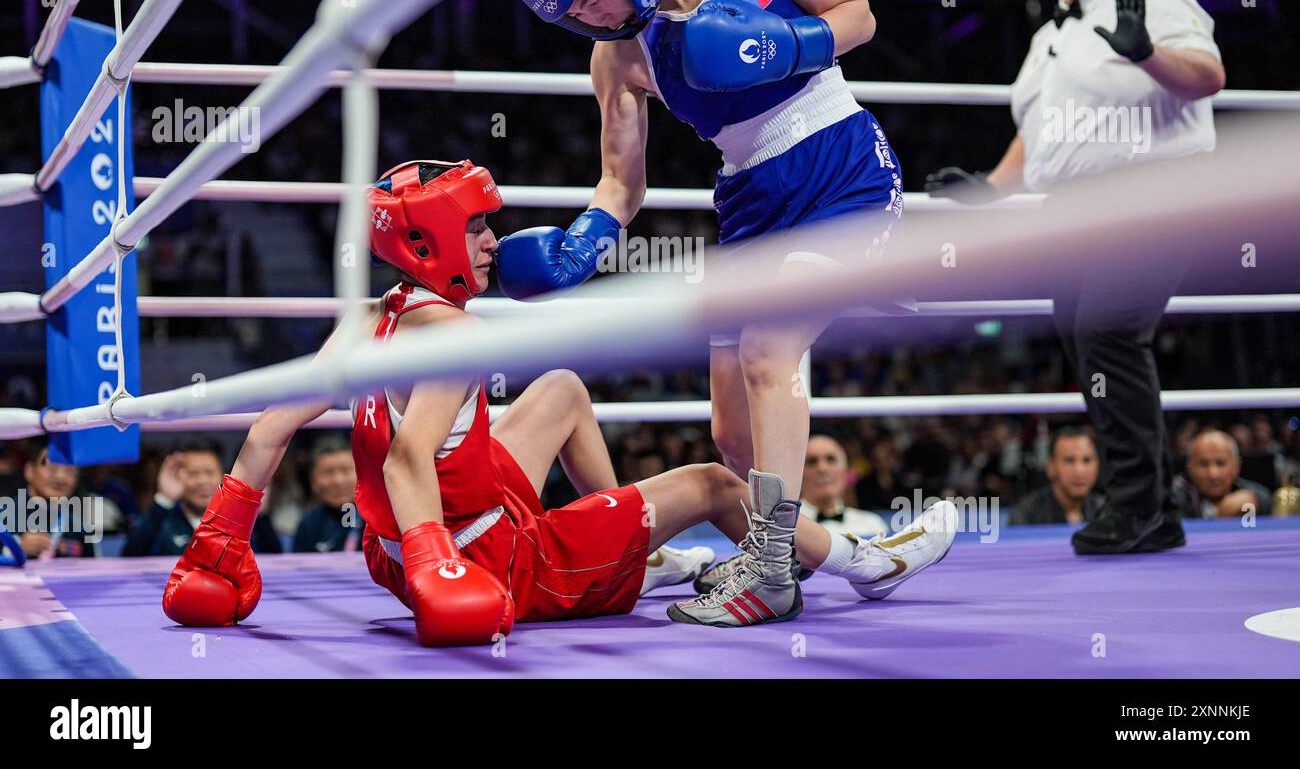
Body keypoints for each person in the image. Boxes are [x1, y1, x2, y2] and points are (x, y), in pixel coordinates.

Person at [160, 160, 955, 645]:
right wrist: (442, 569)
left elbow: (271, 426)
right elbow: (408, 459)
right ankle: (863, 563)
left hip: (405, 544)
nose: (492, 244)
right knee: (715, 482)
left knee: (564, 389)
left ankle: (631, 559)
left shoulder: (372, 315)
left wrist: (218, 544)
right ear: (432, 239)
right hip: (490, 558)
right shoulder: (444, 336)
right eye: (476, 228)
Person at [505, 0, 909, 626]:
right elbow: (621, 184)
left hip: (841, 169)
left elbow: (859, 12)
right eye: (572, 12)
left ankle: (772, 570)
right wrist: (584, 240)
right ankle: (835, 555)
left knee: (769, 350)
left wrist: (781, 45)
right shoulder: (618, 59)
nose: (589, 16)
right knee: (730, 430)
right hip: (750, 205)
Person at [926, 0, 1225, 555]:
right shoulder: (1047, 38)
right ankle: (1157, 507)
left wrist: (1147, 53)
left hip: (1153, 196)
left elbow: (1208, 77)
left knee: (1108, 333)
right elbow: (1039, 140)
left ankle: (1135, 504)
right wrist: (988, 188)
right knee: (1088, 344)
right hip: (1071, 213)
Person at [124, 441, 281, 557]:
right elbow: (129, 556)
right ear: (178, 477)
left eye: (209, 472)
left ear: (223, 476)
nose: (203, 481)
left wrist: (257, 516)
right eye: (193, 473)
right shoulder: (165, 522)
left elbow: (275, 559)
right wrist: (164, 500)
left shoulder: (239, 523)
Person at [1008, 427, 1105, 525]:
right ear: (1051, 467)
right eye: (1069, 461)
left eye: (1087, 460)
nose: (1079, 471)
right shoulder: (1026, 515)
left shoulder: (1106, 511)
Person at [799, 433, 886, 536]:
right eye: (812, 461)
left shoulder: (872, 525)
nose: (822, 468)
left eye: (831, 459)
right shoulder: (783, 527)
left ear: (844, 472)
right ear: (798, 474)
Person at [1175, 429, 1273, 519]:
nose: (1213, 474)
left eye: (1221, 463)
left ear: (1236, 467)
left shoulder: (1253, 496)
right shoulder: (1173, 497)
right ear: (1190, 467)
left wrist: (1254, 502)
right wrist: (1219, 514)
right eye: (1204, 464)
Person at [293, 437, 364, 552]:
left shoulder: (379, 519)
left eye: (346, 470)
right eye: (328, 472)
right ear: (313, 481)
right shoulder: (309, 525)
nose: (338, 481)